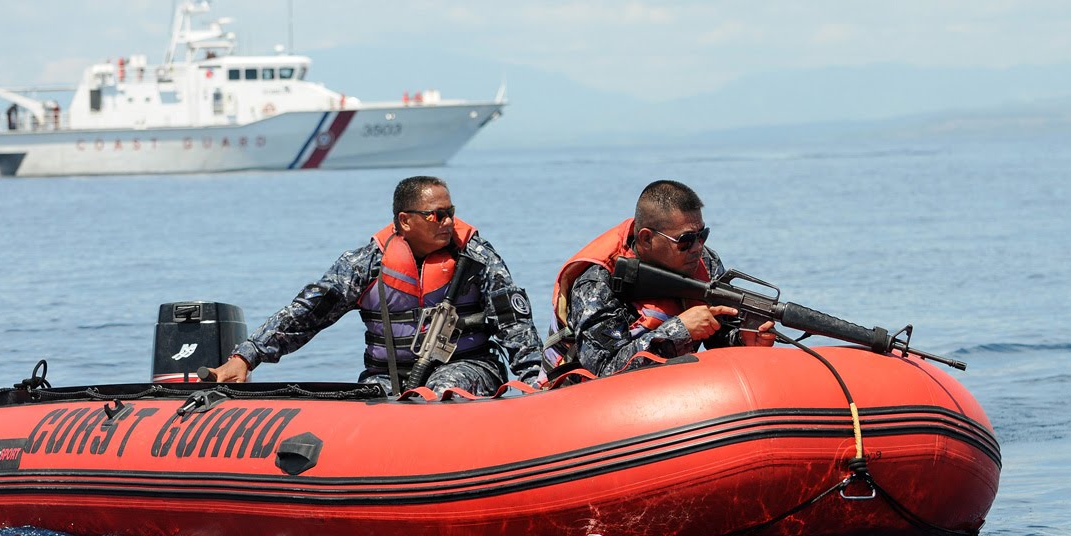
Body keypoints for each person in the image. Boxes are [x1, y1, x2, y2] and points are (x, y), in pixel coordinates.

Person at [203, 175, 543, 396]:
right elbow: (306, 314)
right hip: (388, 376)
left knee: (443, 390)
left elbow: (515, 326)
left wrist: (534, 381)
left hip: (470, 367)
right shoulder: (364, 265)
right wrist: (245, 358)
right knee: (369, 400)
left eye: (450, 212)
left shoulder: (477, 256)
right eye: (436, 215)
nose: (449, 222)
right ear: (405, 221)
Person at [543, 179, 775, 379]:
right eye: (685, 240)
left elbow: (720, 337)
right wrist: (680, 330)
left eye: (702, 235)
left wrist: (746, 341)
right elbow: (603, 371)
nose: (697, 247)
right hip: (582, 403)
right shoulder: (596, 282)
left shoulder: (705, 262)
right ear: (646, 239)